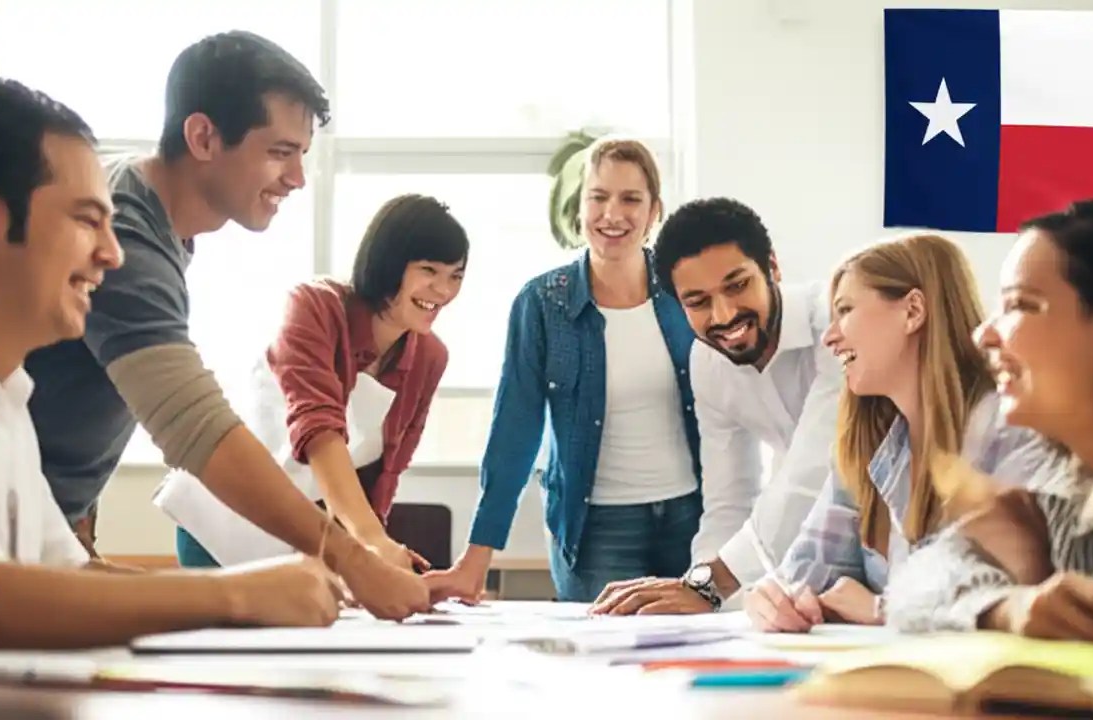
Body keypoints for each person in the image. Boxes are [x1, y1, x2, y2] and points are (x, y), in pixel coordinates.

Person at [0, 74, 340, 671]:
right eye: (87, 221)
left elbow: (62, 572)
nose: (112, 255)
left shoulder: (1, 390)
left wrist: (251, 600)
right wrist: (235, 595)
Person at [22, 31, 430, 619]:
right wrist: (352, 556)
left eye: (303, 155)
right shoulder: (125, 233)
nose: (297, 178)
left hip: (41, 532)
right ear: (204, 136)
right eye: (280, 151)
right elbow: (192, 424)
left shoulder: (164, 232)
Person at [886, 195, 1093, 653]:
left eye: (1020, 305)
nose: (983, 334)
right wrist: (1005, 607)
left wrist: (1043, 586)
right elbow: (914, 585)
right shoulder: (1061, 477)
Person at [425, 138, 702, 603]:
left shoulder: (687, 291)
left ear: (655, 212)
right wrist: (476, 560)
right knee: (604, 667)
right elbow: (514, 433)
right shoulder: (542, 303)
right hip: (596, 532)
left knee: (695, 663)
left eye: (631, 199)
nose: (612, 214)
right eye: (599, 197)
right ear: (580, 205)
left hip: (692, 520)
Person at [743, 234, 1049, 632]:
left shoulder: (1010, 434)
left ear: (913, 311)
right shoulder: (869, 449)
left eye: (846, 310)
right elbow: (804, 574)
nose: (829, 337)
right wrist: (769, 598)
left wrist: (882, 609)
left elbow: (1012, 597)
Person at [161, 194, 467, 570]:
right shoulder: (315, 307)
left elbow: (386, 472)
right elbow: (319, 430)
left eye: (456, 276)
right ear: (390, 260)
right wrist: (370, 543)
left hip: (300, 534)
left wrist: (377, 556)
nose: (444, 291)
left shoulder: (430, 356)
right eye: (429, 271)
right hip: (222, 517)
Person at [589, 197, 842, 615]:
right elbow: (729, 501)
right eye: (698, 301)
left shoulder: (835, 323)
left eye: (737, 285)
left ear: (772, 268)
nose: (724, 315)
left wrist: (711, 585)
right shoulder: (707, 362)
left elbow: (816, 471)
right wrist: (700, 599)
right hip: (818, 552)